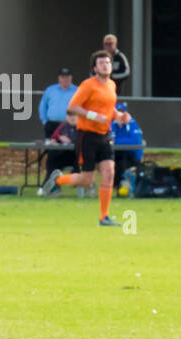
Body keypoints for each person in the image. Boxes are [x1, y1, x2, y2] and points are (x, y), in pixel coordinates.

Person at [42, 50, 132, 225]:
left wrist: (120, 116)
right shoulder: (88, 85)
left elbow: (109, 109)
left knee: (109, 173)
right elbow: (73, 107)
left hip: (104, 136)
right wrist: (92, 116)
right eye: (101, 63)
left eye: (107, 63)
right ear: (95, 68)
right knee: (86, 180)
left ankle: (104, 217)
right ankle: (58, 179)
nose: (105, 65)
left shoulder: (112, 85)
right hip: (87, 136)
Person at [40, 108, 78, 190]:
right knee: (52, 157)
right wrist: (53, 141)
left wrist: (70, 141)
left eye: (74, 115)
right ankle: (49, 185)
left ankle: (59, 182)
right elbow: (54, 138)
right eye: (69, 115)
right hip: (63, 155)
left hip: (77, 157)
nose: (72, 117)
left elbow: (85, 142)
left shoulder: (82, 127)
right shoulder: (63, 126)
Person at [111, 102, 144, 192]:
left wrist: (116, 141)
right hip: (117, 154)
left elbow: (135, 142)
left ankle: (119, 186)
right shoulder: (113, 124)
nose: (121, 115)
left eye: (122, 112)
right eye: (118, 112)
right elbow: (109, 139)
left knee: (122, 163)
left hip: (132, 156)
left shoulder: (132, 124)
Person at [38, 68, 76, 139]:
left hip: (69, 125)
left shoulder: (77, 91)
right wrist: (44, 121)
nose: (65, 79)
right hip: (52, 124)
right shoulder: (50, 89)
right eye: (63, 77)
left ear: (71, 78)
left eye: (67, 77)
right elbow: (42, 106)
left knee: (69, 148)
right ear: (59, 78)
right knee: (51, 147)